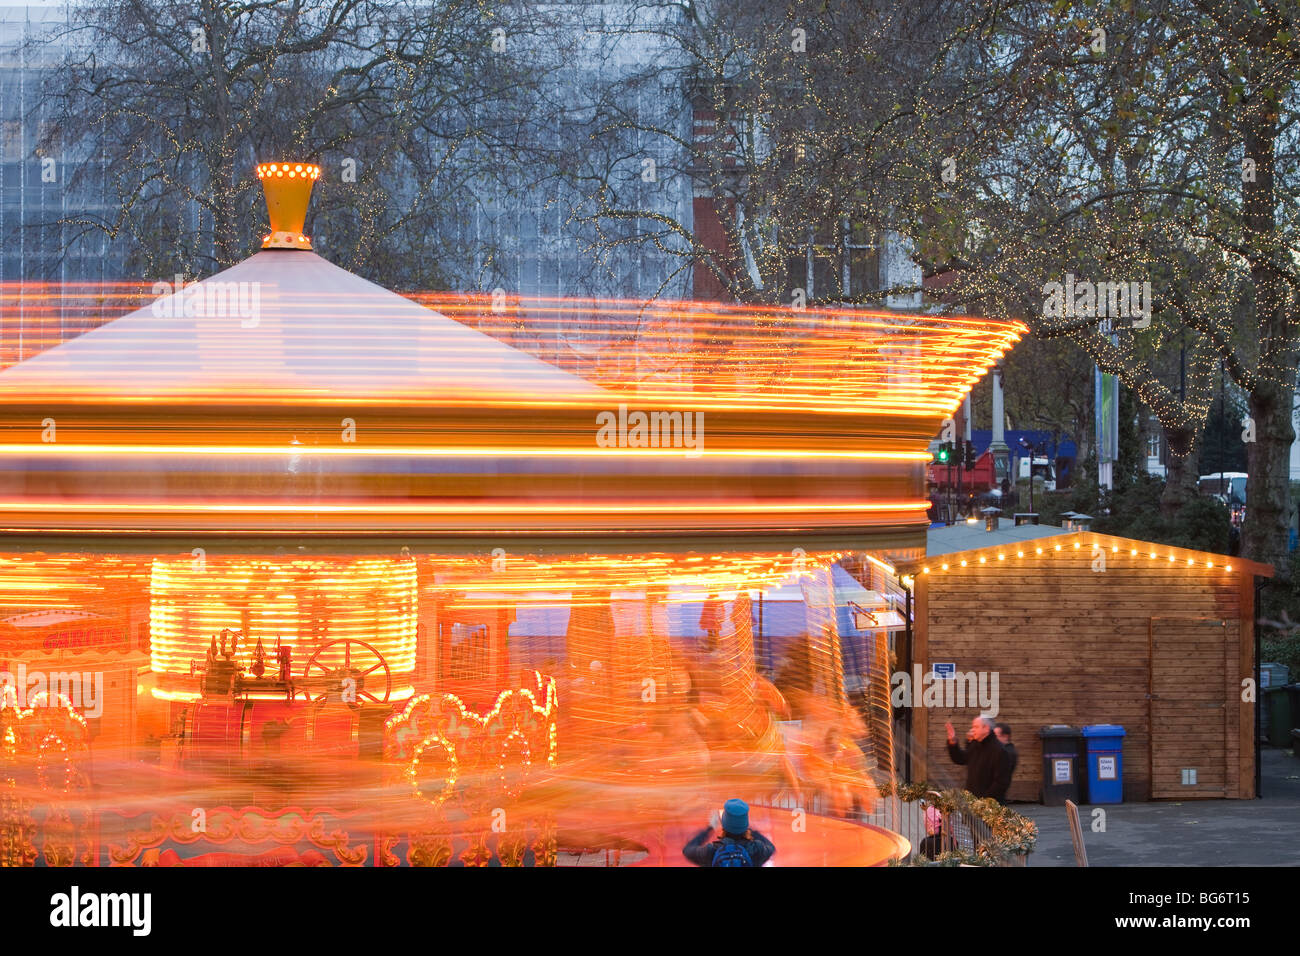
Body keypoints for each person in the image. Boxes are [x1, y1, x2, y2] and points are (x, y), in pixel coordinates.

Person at [682, 798, 776, 867]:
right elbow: (771, 848)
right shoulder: (756, 850)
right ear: (745, 824)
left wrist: (710, 828)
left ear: (724, 824)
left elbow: (687, 850)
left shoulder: (711, 851)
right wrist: (750, 829)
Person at [945, 716, 1012, 801]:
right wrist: (953, 743)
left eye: (976, 727)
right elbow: (960, 759)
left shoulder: (999, 751)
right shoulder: (975, 744)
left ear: (986, 728)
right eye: (972, 727)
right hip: (972, 800)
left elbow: (1001, 782)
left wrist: (984, 800)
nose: (972, 730)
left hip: (989, 806)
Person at [994, 721, 1018, 791]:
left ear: (1005, 737)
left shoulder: (1008, 753)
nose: (993, 739)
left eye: (995, 736)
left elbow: (1000, 778)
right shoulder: (1001, 750)